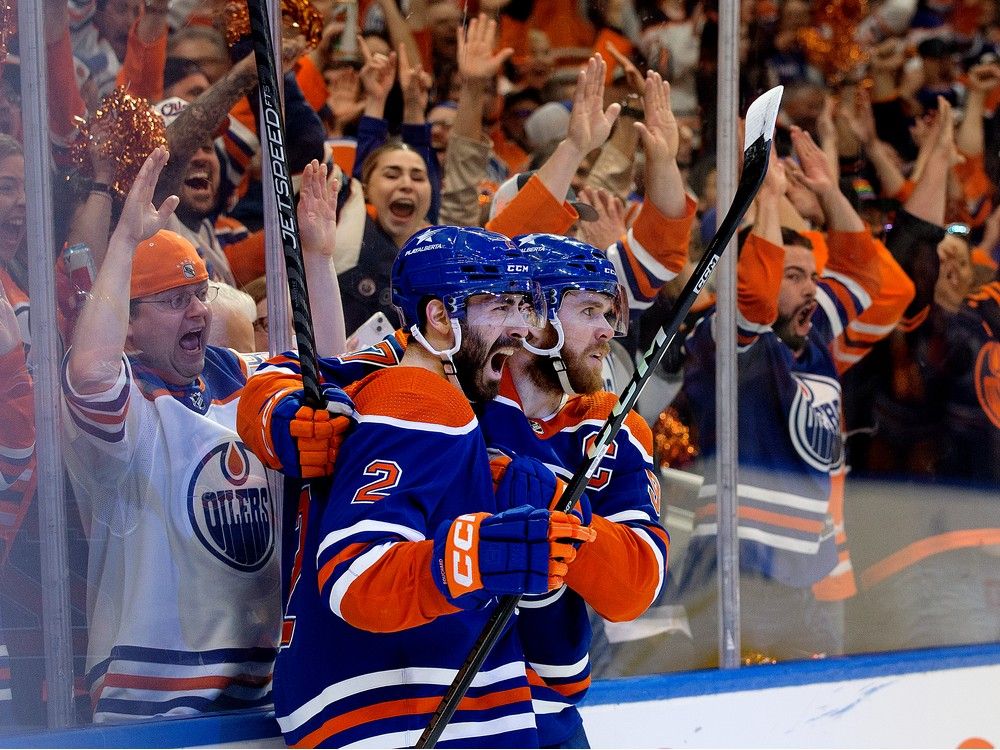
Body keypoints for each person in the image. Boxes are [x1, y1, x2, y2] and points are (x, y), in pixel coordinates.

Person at [237, 225, 597, 747]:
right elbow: (354, 573)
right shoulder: (421, 400)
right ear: (439, 316)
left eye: (523, 306)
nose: (520, 326)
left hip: (406, 707)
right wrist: (478, 557)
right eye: (500, 307)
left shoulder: (441, 400)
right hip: (404, 708)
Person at [61, 150, 347, 722]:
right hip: (149, 704)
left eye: (199, 294)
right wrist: (121, 247)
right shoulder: (126, 403)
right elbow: (92, 367)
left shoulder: (238, 375)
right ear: (131, 325)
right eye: (172, 300)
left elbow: (332, 382)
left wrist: (316, 257)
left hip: (264, 692)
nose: (196, 311)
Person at [674, 127, 883, 665]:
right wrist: (765, 197)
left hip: (813, 577)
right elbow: (752, 298)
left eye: (813, 275)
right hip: (737, 574)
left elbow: (862, 270)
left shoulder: (812, 335)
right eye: (794, 275)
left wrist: (829, 191)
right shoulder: (723, 339)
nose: (812, 287)